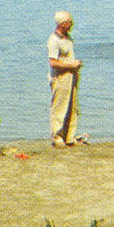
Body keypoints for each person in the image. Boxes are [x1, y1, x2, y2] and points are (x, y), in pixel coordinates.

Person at [48, 10, 83, 147]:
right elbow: (53, 62)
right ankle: (57, 137)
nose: (72, 24)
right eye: (69, 22)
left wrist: (75, 65)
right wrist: (71, 65)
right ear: (62, 24)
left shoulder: (67, 38)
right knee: (59, 107)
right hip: (60, 77)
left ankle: (69, 136)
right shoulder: (54, 40)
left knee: (72, 107)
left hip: (71, 76)